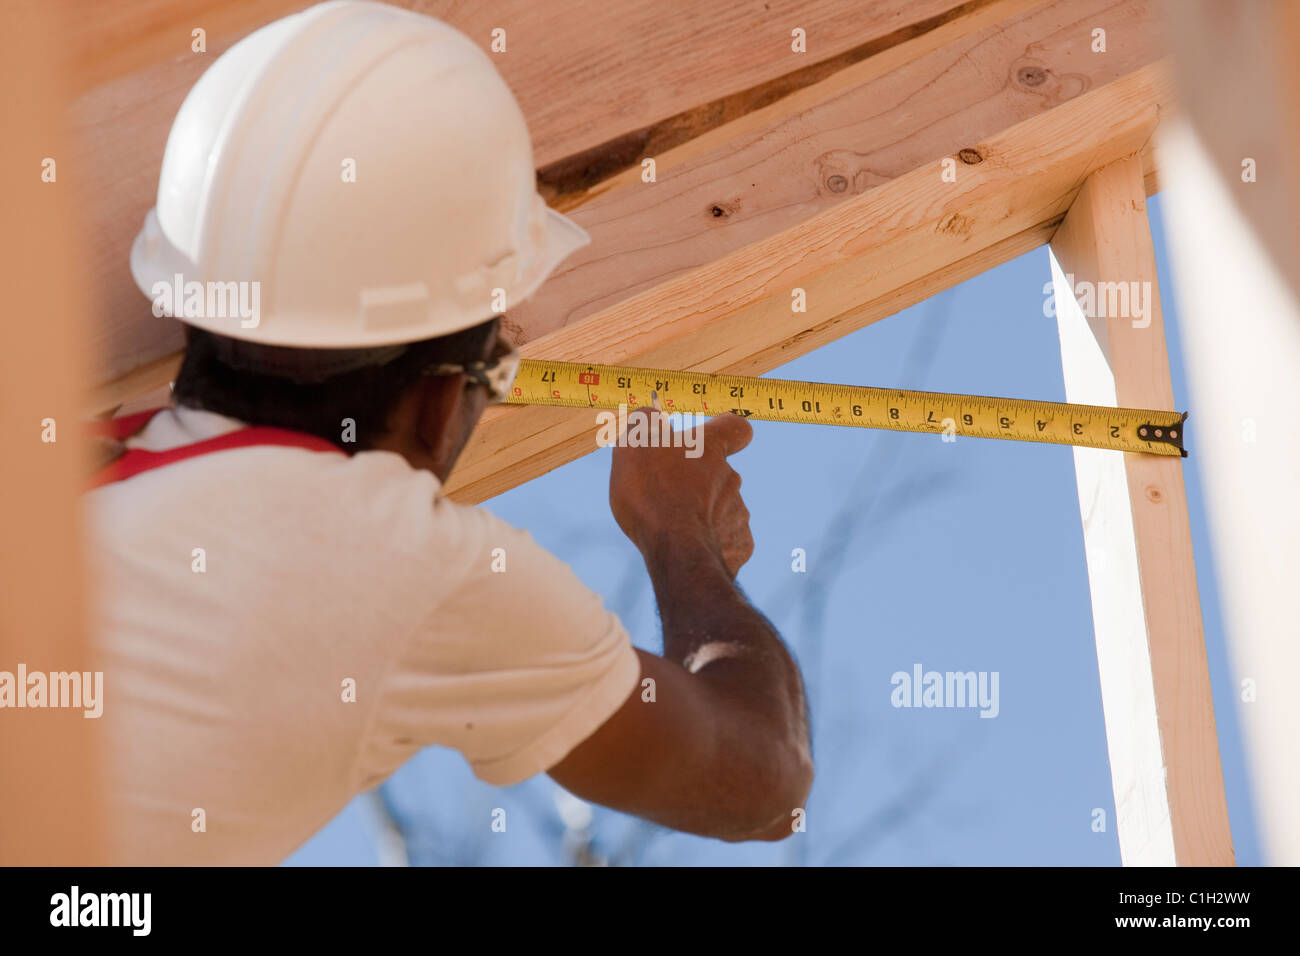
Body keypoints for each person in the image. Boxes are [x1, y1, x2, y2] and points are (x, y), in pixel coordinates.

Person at [86, 0, 811, 864]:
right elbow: (762, 782)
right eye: (491, 373)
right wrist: (679, 531)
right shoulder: (401, 566)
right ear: (439, 404)